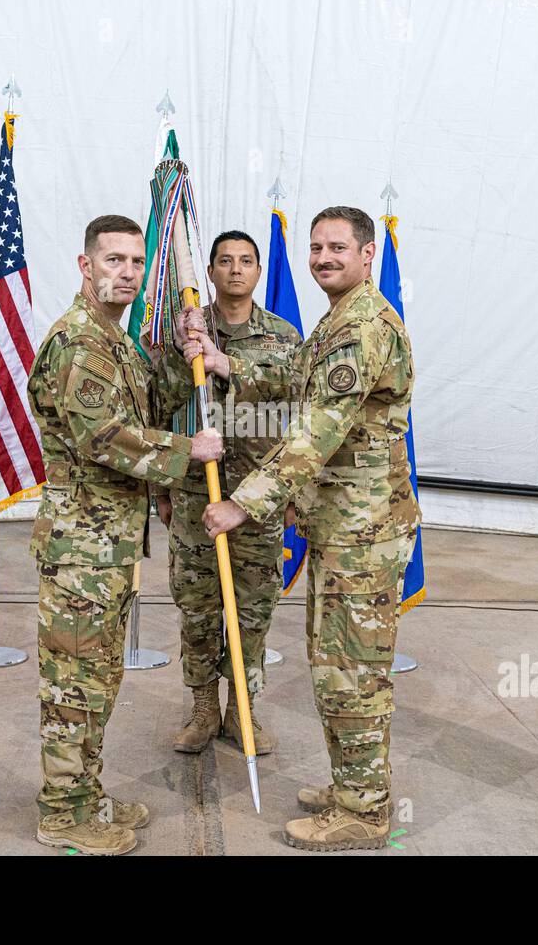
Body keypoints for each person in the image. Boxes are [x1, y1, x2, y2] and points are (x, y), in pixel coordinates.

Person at [194, 205, 419, 851]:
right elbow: (293, 382)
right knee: (335, 665)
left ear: (367, 254)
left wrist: (247, 501)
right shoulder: (336, 320)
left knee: (352, 670)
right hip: (340, 524)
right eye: (316, 247)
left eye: (337, 248)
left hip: (364, 531)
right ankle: (354, 786)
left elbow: (316, 429)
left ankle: (366, 810)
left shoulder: (363, 327)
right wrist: (225, 363)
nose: (322, 257)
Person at [27, 214, 223, 855]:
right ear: (87, 267)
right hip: (81, 549)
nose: (128, 273)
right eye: (113, 261)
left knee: (99, 676)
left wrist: (184, 351)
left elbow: (145, 399)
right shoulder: (80, 343)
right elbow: (103, 435)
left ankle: (85, 795)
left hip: (107, 545)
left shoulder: (116, 341)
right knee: (75, 682)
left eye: (136, 263)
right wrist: (186, 450)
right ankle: (62, 812)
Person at [155, 231, 302, 756]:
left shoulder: (283, 337)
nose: (235, 270)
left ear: (259, 272)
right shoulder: (187, 334)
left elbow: (299, 410)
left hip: (257, 499)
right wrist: (163, 488)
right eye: (224, 261)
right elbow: (162, 404)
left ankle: (243, 709)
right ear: (211, 272)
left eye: (245, 261)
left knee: (252, 611)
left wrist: (290, 496)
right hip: (197, 495)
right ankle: (201, 708)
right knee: (197, 608)